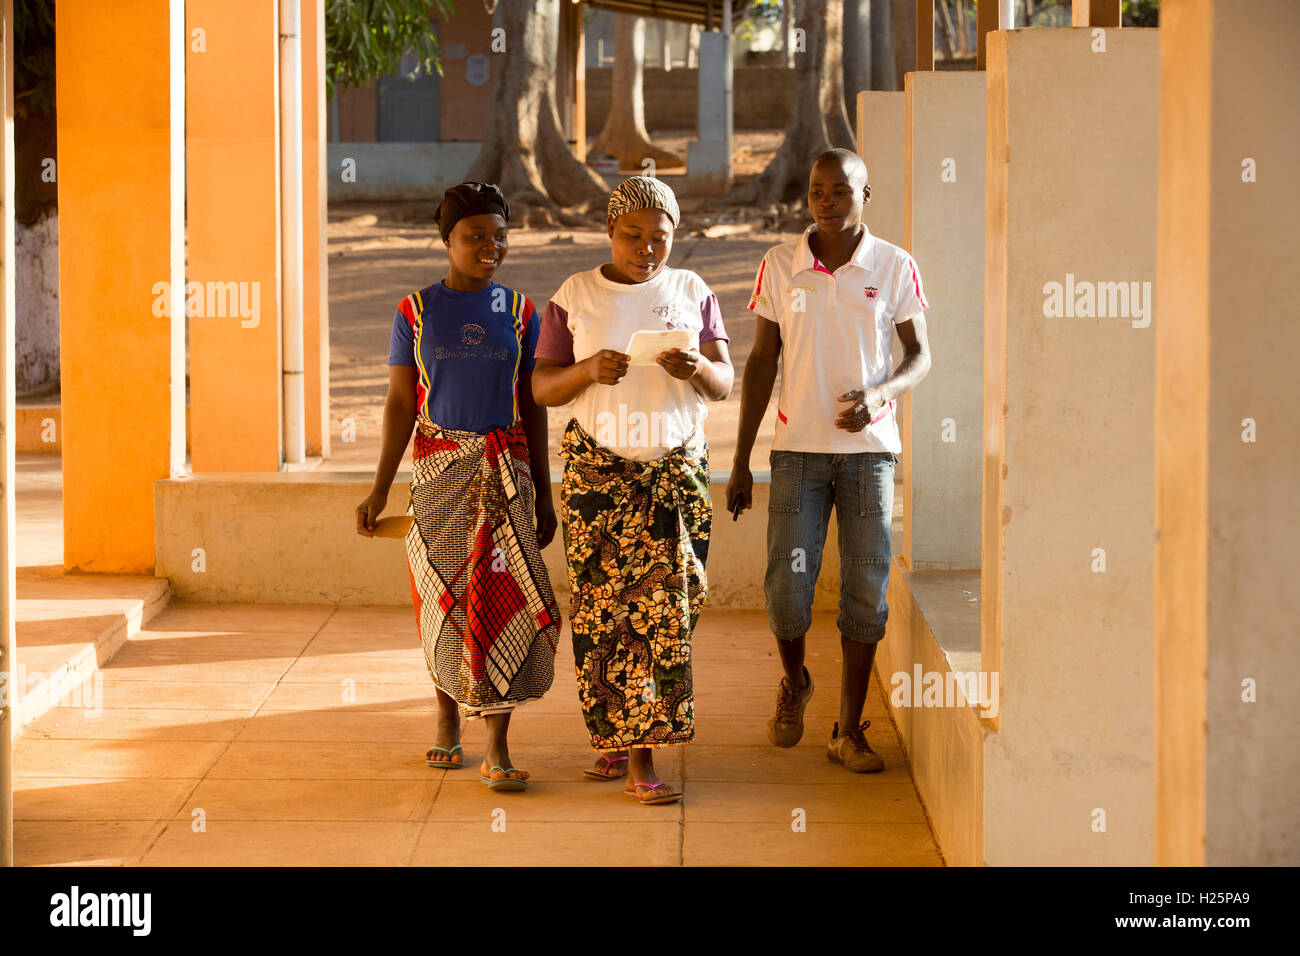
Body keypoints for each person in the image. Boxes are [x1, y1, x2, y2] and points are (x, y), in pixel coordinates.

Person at [726, 149, 932, 773]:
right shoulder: (780, 264)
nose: (826, 200)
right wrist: (740, 460)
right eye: (817, 190)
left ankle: (848, 731)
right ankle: (795, 682)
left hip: (869, 458)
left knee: (865, 594)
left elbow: (919, 355)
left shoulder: (894, 265)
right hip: (797, 456)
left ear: (865, 195)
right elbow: (762, 362)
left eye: (840, 190)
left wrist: (880, 395)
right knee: (787, 593)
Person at [531, 176, 733, 805]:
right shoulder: (575, 296)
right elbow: (541, 388)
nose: (646, 249)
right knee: (605, 609)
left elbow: (724, 383)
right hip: (600, 474)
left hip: (674, 470)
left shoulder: (691, 291)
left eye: (660, 238)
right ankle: (634, 753)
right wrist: (588, 370)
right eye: (632, 236)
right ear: (609, 232)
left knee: (670, 609)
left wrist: (696, 366)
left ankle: (628, 730)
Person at [355, 181, 561, 793]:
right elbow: (399, 402)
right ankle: (447, 714)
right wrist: (379, 489)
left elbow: (535, 406)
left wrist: (544, 494)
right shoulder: (415, 312)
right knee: (441, 599)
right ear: (447, 239)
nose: (489, 246)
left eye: (500, 236)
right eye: (475, 236)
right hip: (438, 475)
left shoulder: (524, 313)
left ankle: (498, 743)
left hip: (507, 474)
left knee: (502, 600)